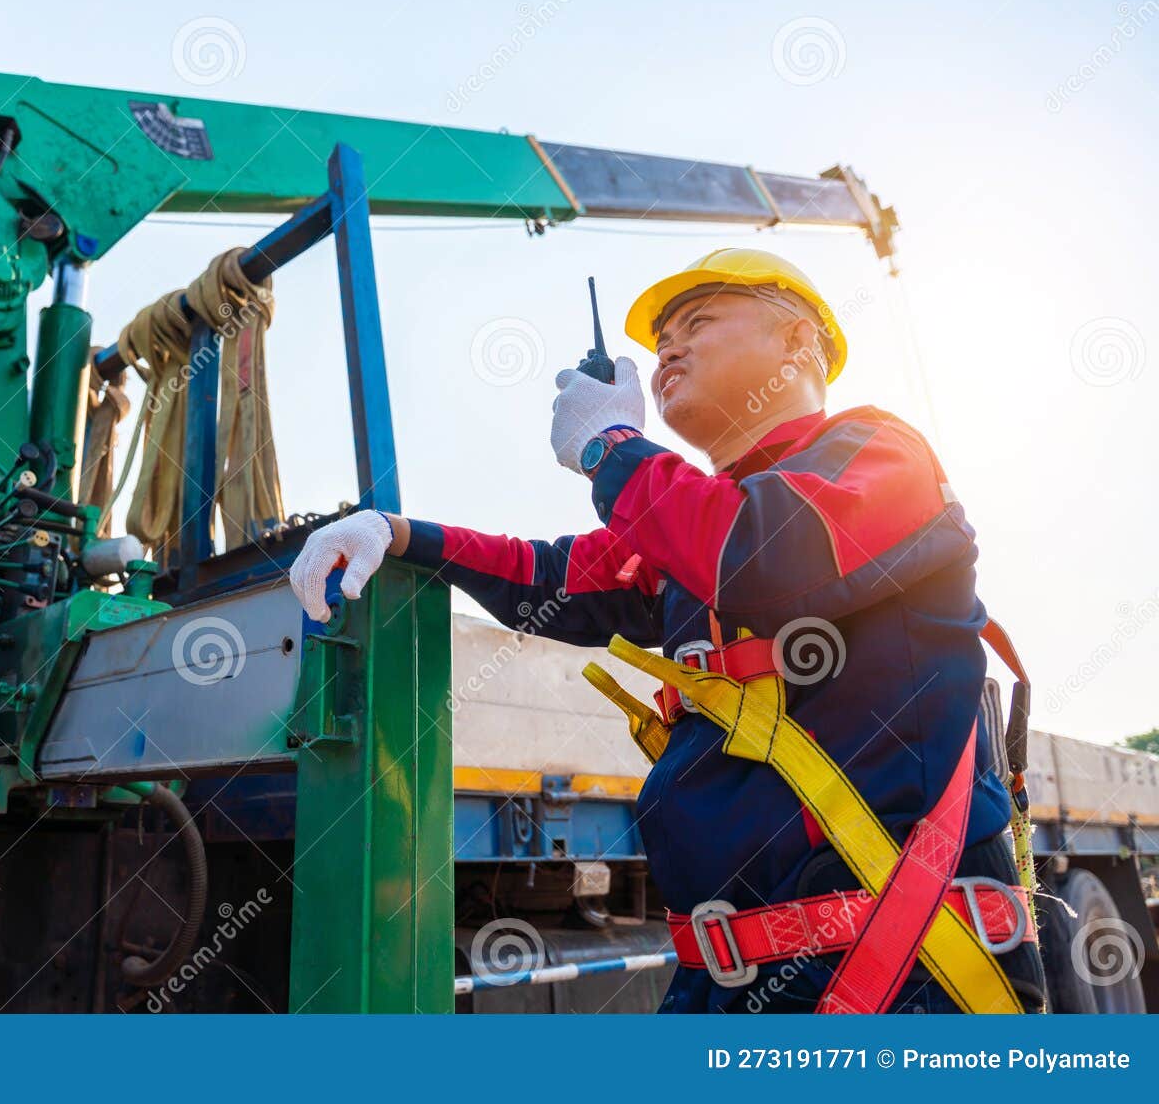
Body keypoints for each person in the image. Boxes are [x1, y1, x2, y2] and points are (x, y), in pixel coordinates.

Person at [287, 248, 1046, 1014]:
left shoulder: (883, 454)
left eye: (699, 321)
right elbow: (552, 579)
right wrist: (400, 533)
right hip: (724, 981)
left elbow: (771, 557)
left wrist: (609, 449)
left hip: (903, 970)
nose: (667, 351)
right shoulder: (692, 522)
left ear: (798, 344)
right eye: (660, 342)